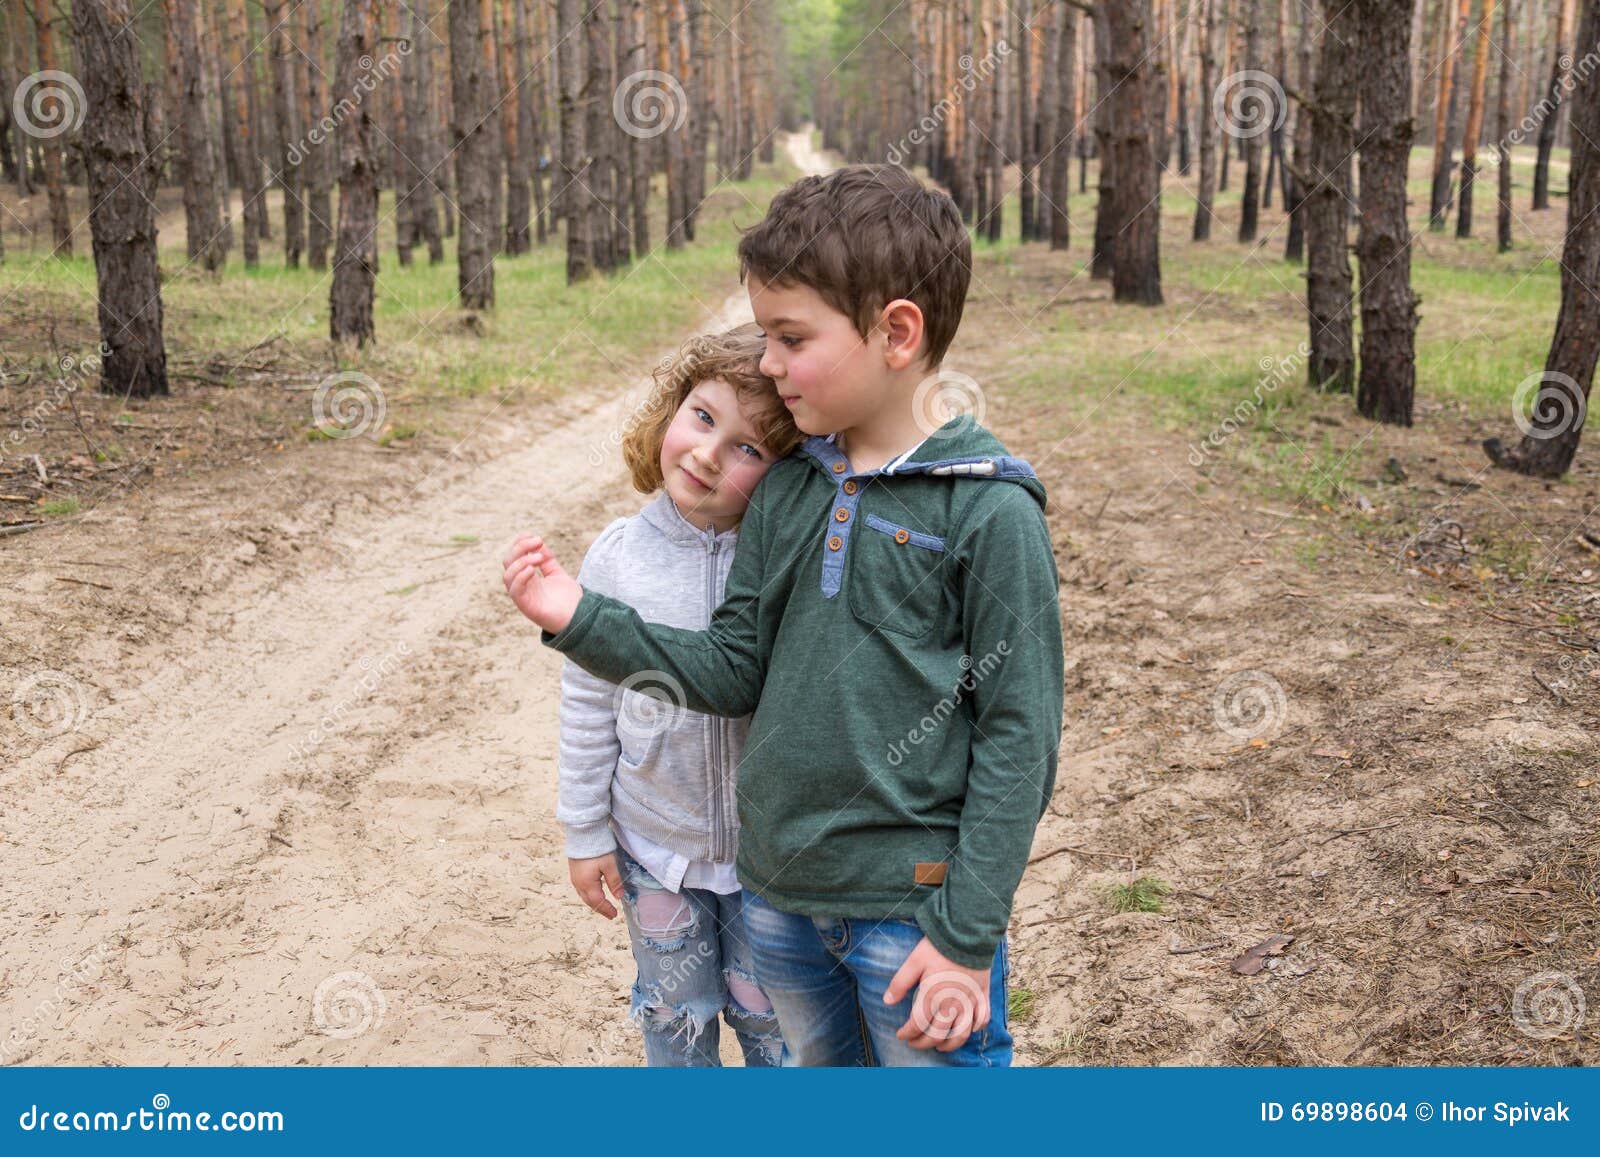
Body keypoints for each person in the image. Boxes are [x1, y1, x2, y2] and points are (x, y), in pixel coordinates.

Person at [507, 164, 1064, 1066]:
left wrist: (966, 936)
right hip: (780, 904)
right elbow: (733, 669)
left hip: (912, 914)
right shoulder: (792, 488)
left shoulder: (987, 511)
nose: (766, 363)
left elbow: (1019, 733)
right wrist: (581, 616)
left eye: (788, 337)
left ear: (896, 332)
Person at [555, 325, 801, 1066]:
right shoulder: (617, 558)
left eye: (749, 448)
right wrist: (584, 831)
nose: (706, 454)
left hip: (770, 863)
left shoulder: (783, 563)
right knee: (676, 1013)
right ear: (671, 408)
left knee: (773, 1023)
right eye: (701, 416)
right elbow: (586, 705)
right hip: (654, 845)